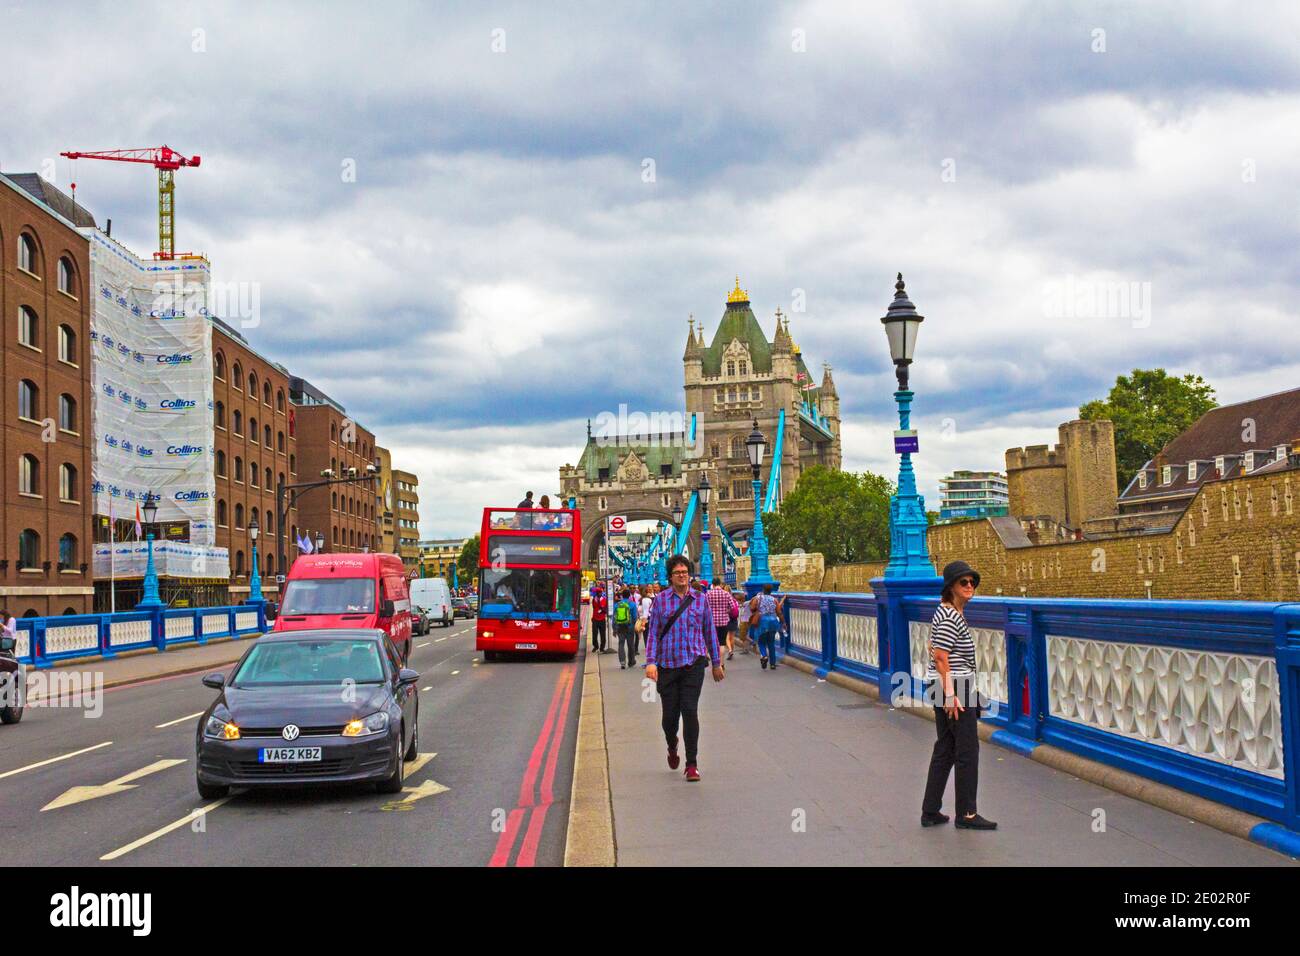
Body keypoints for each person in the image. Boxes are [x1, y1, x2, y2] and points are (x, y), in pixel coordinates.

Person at [921, 561, 997, 831]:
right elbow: (941, 658)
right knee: (966, 750)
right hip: (954, 688)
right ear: (950, 587)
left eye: (972, 582)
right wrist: (952, 695)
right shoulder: (951, 616)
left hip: (946, 686)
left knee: (946, 748)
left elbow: (936, 650)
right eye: (963, 583)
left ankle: (930, 810)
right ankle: (966, 813)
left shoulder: (946, 612)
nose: (969, 587)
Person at [645, 555, 723, 782]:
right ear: (670, 576)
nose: (682, 575)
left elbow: (709, 631)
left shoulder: (700, 599)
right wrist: (650, 661)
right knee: (670, 717)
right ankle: (672, 744)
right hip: (667, 664)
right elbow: (653, 634)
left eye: (685, 572)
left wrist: (716, 663)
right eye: (678, 572)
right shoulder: (660, 600)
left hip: (693, 663)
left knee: (689, 710)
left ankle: (692, 764)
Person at [748, 584, 784, 669]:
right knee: (771, 643)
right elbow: (779, 613)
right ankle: (772, 664)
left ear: (763, 590)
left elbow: (752, 608)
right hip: (773, 622)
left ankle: (764, 656)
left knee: (761, 641)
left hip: (762, 621)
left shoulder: (758, 598)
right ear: (771, 591)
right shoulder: (774, 599)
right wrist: (783, 623)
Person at [705, 577, 739, 663]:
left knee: (712, 641)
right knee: (722, 643)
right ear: (720, 584)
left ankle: (713, 660)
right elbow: (733, 607)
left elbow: (704, 607)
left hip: (712, 622)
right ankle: (721, 663)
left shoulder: (708, 594)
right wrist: (725, 611)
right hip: (724, 622)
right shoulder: (726, 594)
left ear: (712, 584)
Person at [613, 588, 639, 668]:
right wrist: (636, 626)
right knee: (630, 644)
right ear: (629, 596)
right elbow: (635, 617)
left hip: (619, 627)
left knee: (621, 644)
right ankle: (631, 661)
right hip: (630, 626)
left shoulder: (617, 604)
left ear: (621, 596)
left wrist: (614, 628)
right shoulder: (632, 604)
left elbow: (614, 618)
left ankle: (622, 662)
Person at [590, 585, 609, 653]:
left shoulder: (604, 599)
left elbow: (605, 608)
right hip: (595, 618)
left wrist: (602, 610)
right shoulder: (593, 600)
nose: (599, 594)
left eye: (600, 593)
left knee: (602, 634)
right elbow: (594, 607)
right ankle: (595, 646)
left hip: (602, 618)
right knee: (594, 634)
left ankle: (602, 647)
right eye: (598, 593)